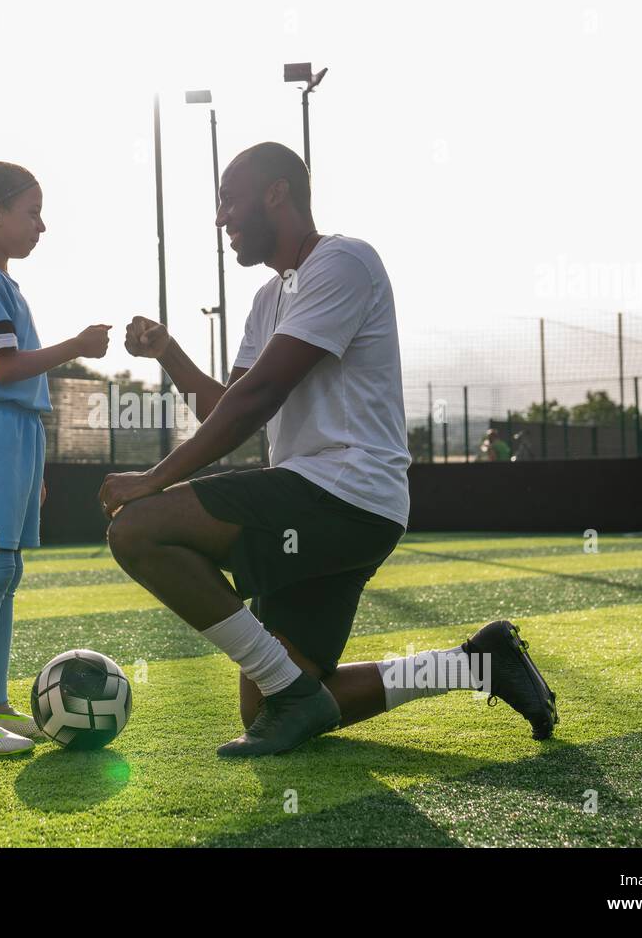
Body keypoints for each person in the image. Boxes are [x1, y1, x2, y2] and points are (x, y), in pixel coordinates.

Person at [99, 142, 557, 757]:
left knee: (138, 529)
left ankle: (294, 694)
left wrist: (152, 480)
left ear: (276, 193)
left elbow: (259, 395)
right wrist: (171, 352)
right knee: (270, 703)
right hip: (329, 510)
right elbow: (228, 405)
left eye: (228, 199)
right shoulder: (268, 300)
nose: (220, 217)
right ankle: (473, 665)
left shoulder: (343, 262)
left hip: (340, 494)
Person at [0, 153, 110, 754]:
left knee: (8, 569)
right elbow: (5, 368)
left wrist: (33, 467)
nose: (42, 225)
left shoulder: (2, 282)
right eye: (33, 213)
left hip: (16, 437)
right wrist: (79, 345)